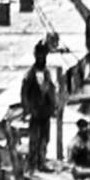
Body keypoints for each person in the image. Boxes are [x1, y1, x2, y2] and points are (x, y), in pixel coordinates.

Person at [20, 42, 57, 172]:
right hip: (35, 112)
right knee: (34, 140)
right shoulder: (29, 75)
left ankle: (41, 163)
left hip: (45, 112)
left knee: (45, 139)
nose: (42, 58)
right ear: (36, 56)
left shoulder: (47, 73)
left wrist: (53, 107)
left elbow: (51, 91)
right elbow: (24, 94)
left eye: (44, 55)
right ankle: (32, 165)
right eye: (40, 55)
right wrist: (27, 110)